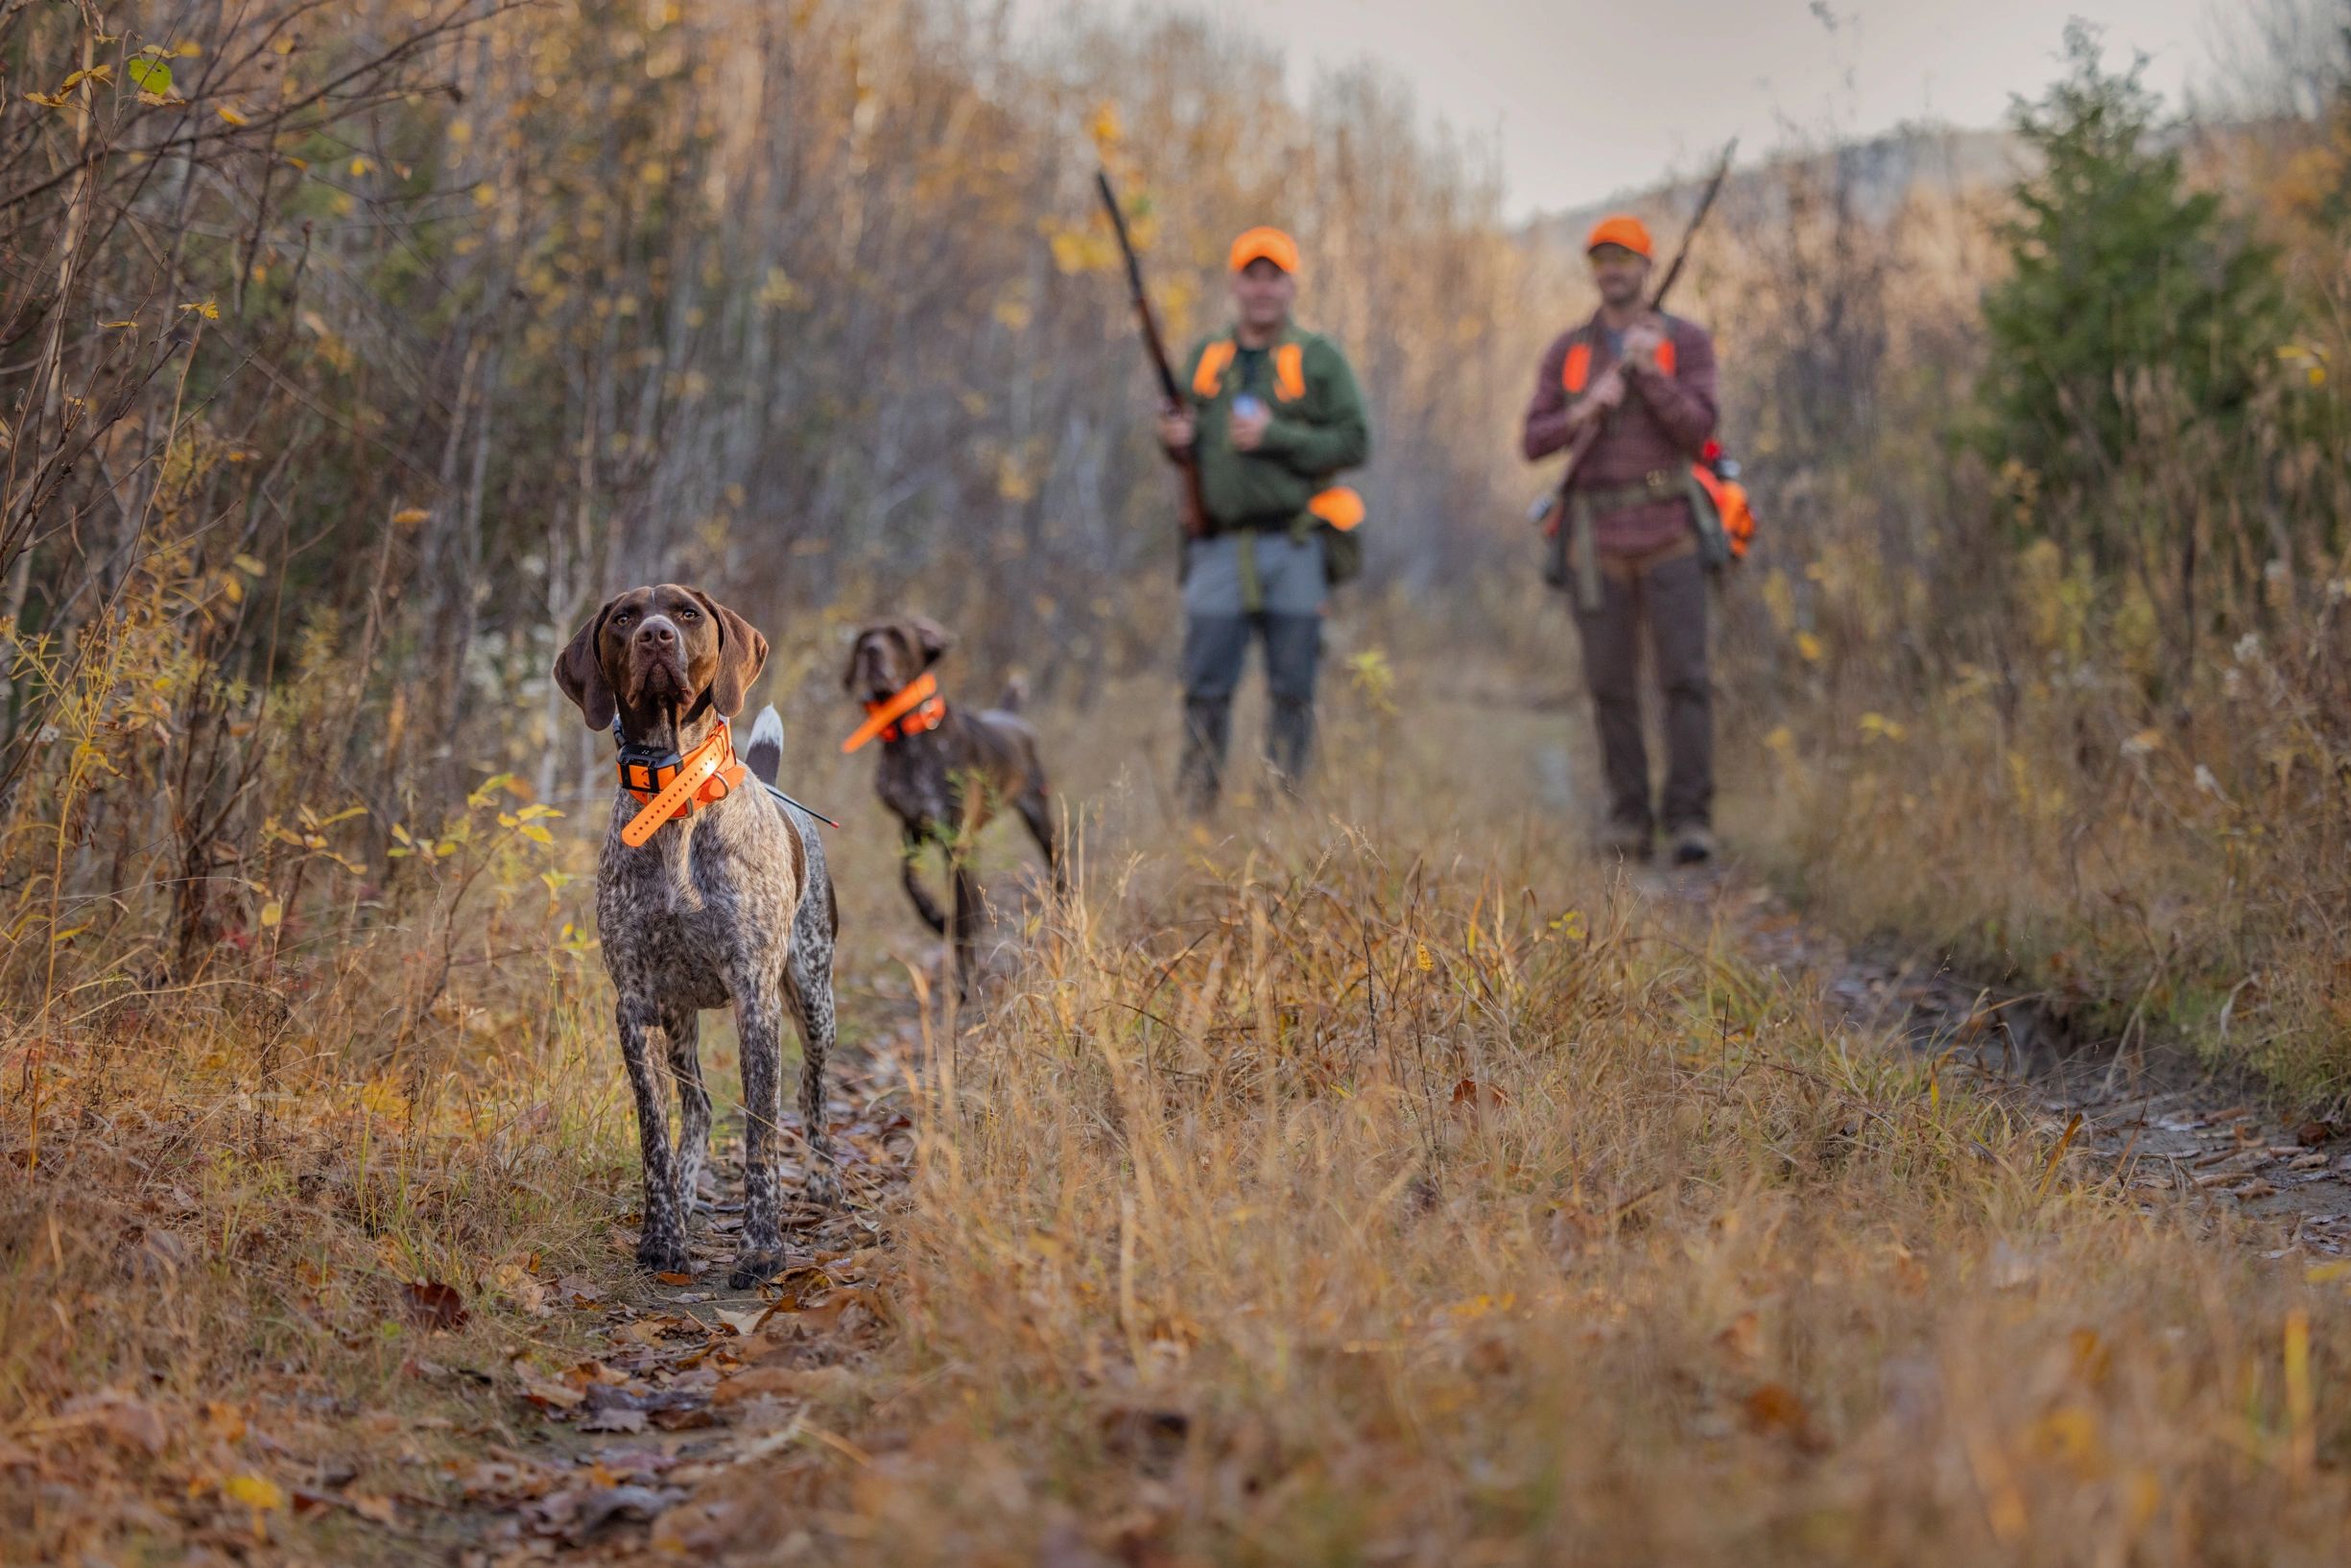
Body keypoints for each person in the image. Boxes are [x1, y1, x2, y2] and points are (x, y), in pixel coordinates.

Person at [1522, 214, 1722, 865]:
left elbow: (1701, 432)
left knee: (1685, 680)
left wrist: (1649, 374)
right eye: (1601, 259)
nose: (1612, 270)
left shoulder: (1684, 343)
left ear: (1647, 265)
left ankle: (1689, 821)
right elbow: (1533, 440)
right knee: (1610, 687)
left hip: (1671, 535)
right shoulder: (1570, 351)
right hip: (1595, 543)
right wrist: (1587, 406)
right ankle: (1628, 818)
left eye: (1624, 258)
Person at [1157, 226, 1370, 816]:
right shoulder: (1206, 357)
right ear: (1235, 284)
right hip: (1217, 547)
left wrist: (1277, 435)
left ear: (1292, 285)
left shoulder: (1320, 358)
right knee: (1205, 688)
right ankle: (1196, 817)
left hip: (1294, 544)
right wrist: (1172, 437)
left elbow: (1355, 441)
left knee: (1293, 689)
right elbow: (1182, 442)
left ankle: (1282, 815)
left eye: (1273, 277)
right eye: (1251, 277)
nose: (1262, 289)